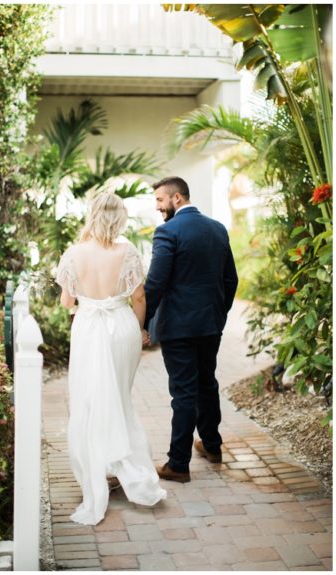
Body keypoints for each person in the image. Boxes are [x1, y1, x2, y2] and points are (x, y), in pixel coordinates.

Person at [55, 192, 167, 526]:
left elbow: (66, 302)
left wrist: (86, 297)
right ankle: (125, 466)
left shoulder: (73, 253)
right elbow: (139, 297)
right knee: (119, 398)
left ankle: (97, 467)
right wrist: (141, 328)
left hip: (88, 327)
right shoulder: (127, 251)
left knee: (89, 399)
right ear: (119, 218)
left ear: (92, 215)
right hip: (121, 327)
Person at [143, 176, 238, 483]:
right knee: (207, 383)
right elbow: (231, 280)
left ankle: (178, 463)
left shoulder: (168, 231)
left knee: (184, 392)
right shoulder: (217, 228)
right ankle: (211, 445)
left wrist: (142, 321)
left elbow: (155, 283)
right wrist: (219, 313)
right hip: (210, 324)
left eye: (160, 200)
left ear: (177, 198)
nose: (157, 207)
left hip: (179, 327)